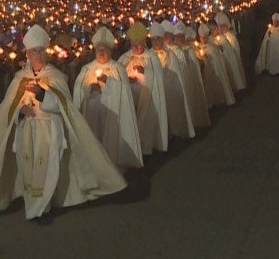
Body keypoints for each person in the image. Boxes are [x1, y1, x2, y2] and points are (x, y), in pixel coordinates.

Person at [0, 25, 126, 225]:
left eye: (40, 51)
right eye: (33, 51)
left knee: (47, 168)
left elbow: (63, 105)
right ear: (27, 54)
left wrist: (42, 94)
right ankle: (33, 205)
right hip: (26, 130)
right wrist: (20, 111)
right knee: (28, 169)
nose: (37, 55)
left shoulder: (54, 76)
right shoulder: (20, 78)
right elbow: (9, 107)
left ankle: (42, 208)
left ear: (46, 53)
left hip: (49, 129)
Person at [73, 27, 143, 170]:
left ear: (110, 51)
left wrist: (108, 83)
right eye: (99, 50)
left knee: (110, 141)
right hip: (92, 115)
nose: (102, 53)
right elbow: (78, 92)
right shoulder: (87, 69)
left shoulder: (117, 69)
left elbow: (124, 92)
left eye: (104, 50)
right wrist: (90, 88)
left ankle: (112, 164)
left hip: (112, 114)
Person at [118, 22, 169, 154]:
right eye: (134, 45)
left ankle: (145, 145)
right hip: (129, 95)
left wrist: (144, 72)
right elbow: (118, 75)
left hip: (146, 95)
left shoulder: (151, 58)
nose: (136, 47)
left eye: (139, 45)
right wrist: (126, 79)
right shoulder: (125, 58)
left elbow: (157, 78)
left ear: (144, 43)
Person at [152, 22, 196, 140]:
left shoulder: (172, 53)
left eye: (167, 36)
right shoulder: (150, 54)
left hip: (169, 88)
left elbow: (174, 72)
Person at [196, 24, 236, 107]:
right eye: (201, 38)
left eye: (205, 37)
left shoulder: (212, 47)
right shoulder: (198, 47)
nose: (203, 39)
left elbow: (217, 59)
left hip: (215, 71)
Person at [214, 12, 246, 91]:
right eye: (219, 26)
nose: (221, 28)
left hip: (231, 59)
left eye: (223, 26)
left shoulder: (231, 37)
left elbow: (235, 49)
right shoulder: (218, 37)